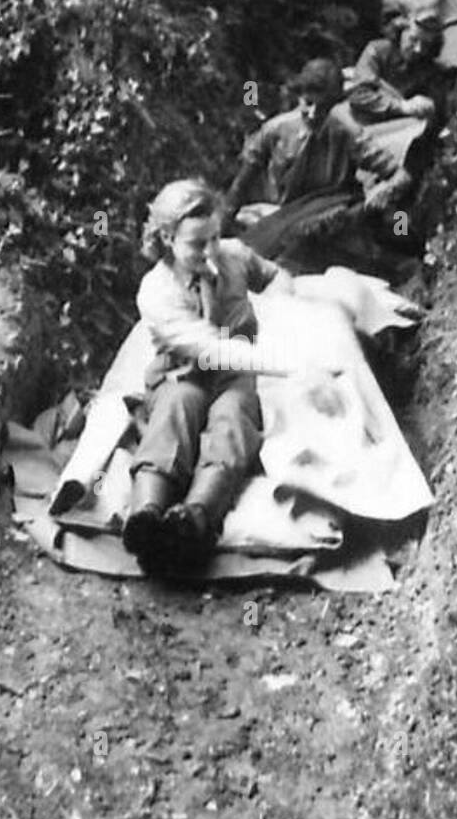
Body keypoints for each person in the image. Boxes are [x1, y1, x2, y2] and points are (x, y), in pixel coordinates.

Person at [126, 179, 324, 575]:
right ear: (166, 238)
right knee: (176, 410)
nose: (210, 251)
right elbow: (212, 349)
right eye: (197, 244)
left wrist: (283, 311)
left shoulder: (234, 256)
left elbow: (274, 278)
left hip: (234, 375)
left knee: (233, 419)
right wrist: (291, 364)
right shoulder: (156, 291)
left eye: (215, 237)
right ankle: (146, 514)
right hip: (183, 373)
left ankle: (197, 518)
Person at [224, 57, 415, 275]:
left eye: (322, 107)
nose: (313, 114)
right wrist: (221, 227)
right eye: (308, 103)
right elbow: (240, 186)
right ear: (298, 98)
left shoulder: (346, 132)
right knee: (249, 254)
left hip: (337, 219)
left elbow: (400, 175)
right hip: (288, 216)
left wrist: (383, 192)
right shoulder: (275, 130)